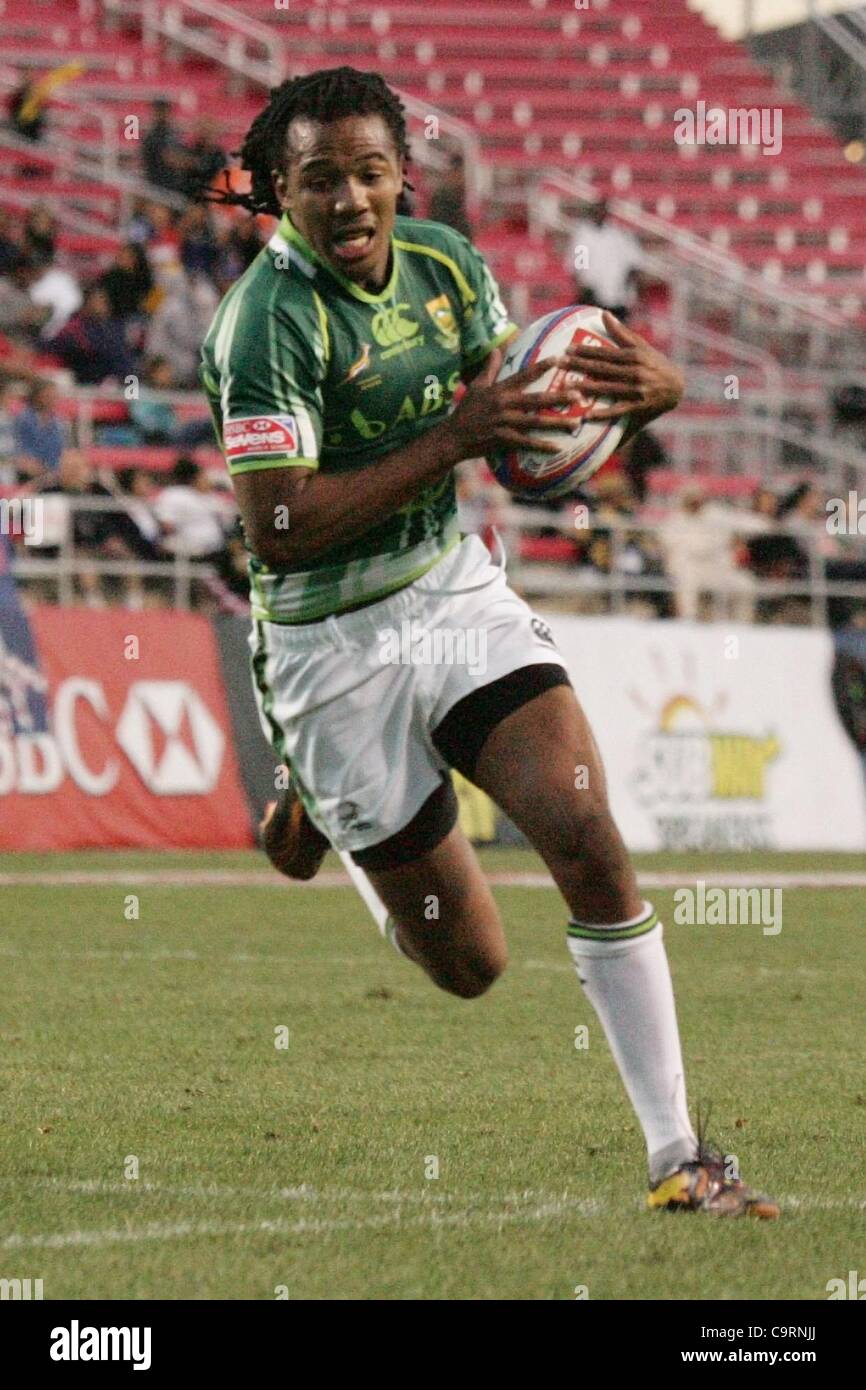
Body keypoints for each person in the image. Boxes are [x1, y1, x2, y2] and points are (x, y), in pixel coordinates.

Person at [200, 65, 777, 1219]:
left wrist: (642, 396)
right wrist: (455, 435)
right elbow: (275, 529)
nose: (353, 199)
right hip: (326, 645)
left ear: (402, 175)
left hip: (451, 594)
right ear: (278, 190)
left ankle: (678, 1158)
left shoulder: (449, 264)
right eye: (320, 179)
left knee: (583, 831)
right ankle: (309, 803)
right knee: (469, 966)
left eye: (372, 172)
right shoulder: (262, 322)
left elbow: (515, 421)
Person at [569, 198, 645, 321]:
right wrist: (584, 288)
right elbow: (579, 266)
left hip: (618, 297)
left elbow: (634, 264)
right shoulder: (583, 235)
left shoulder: (619, 234)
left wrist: (628, 289)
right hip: (593, 297)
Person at [48, 285, 135, 385]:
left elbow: (124, 357)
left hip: (120, 382)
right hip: (88, 383)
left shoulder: (115, 328)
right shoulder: (74, 327)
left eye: (105, 302)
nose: (104, 306)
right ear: (87, 303)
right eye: (99, 301)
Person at [13, 378, 66, 479]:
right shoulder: (23, 419)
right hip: (27, 470)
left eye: (54, 396)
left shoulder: (59, 423)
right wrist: (27, 462)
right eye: (48, 396)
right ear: (37, 396)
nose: (52, 399)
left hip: (53, 471)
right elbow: (18, 446)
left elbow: (61, 450)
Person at [428, 151, 473, 240]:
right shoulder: (444, 195)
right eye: (460, 173)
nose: (463, 178)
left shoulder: (456, 193)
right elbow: (440, 224)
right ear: (454, 173)